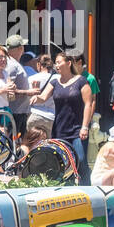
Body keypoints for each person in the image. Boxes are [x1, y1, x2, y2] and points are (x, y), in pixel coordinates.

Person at [36, 50, 93, 184]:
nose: (56, 65)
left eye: (59, 62)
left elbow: (88, 104)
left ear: (68, 63)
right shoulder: (54, 82)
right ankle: (66, 187)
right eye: (55, 63)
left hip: (77, 129)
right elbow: (43, 97)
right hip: (59, 129)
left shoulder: (81, 81)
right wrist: (35, 97)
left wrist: (85, 126)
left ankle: (87, 188)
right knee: (61, 161)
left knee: (80, 159)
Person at [3, 34, 36, 134]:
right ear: (20, 48)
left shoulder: (13, 63)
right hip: (15, 113)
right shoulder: (12, 65)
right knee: (12, 141)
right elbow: (8, 89)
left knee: (16, 140)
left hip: (18, 112)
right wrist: (28, 92)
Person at [27, 54, 56, 137]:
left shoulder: (31, 78)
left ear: (39, 64)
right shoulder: (57, 78)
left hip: (35, 114)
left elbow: (28, 98)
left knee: (34, 143)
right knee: (50, 143)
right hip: (52, 116)